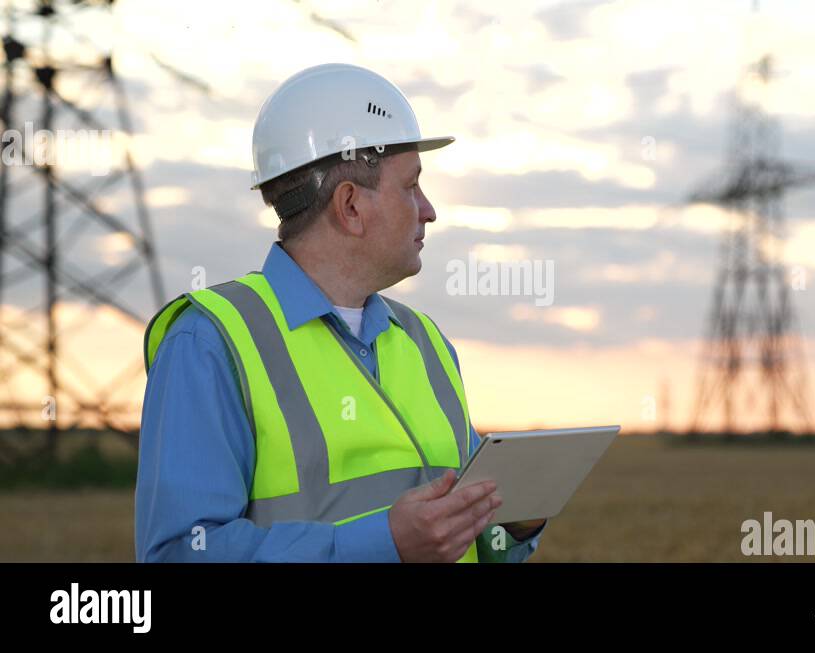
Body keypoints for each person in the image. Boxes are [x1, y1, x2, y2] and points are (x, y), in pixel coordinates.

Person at [135, 63, 546, 562]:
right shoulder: (208, 343)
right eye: (411, 186)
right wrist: (383, 545)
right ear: (350, 206)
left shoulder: (425, 342)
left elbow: (473, 545)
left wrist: (514, 525)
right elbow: (180, 554)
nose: (429, 209)